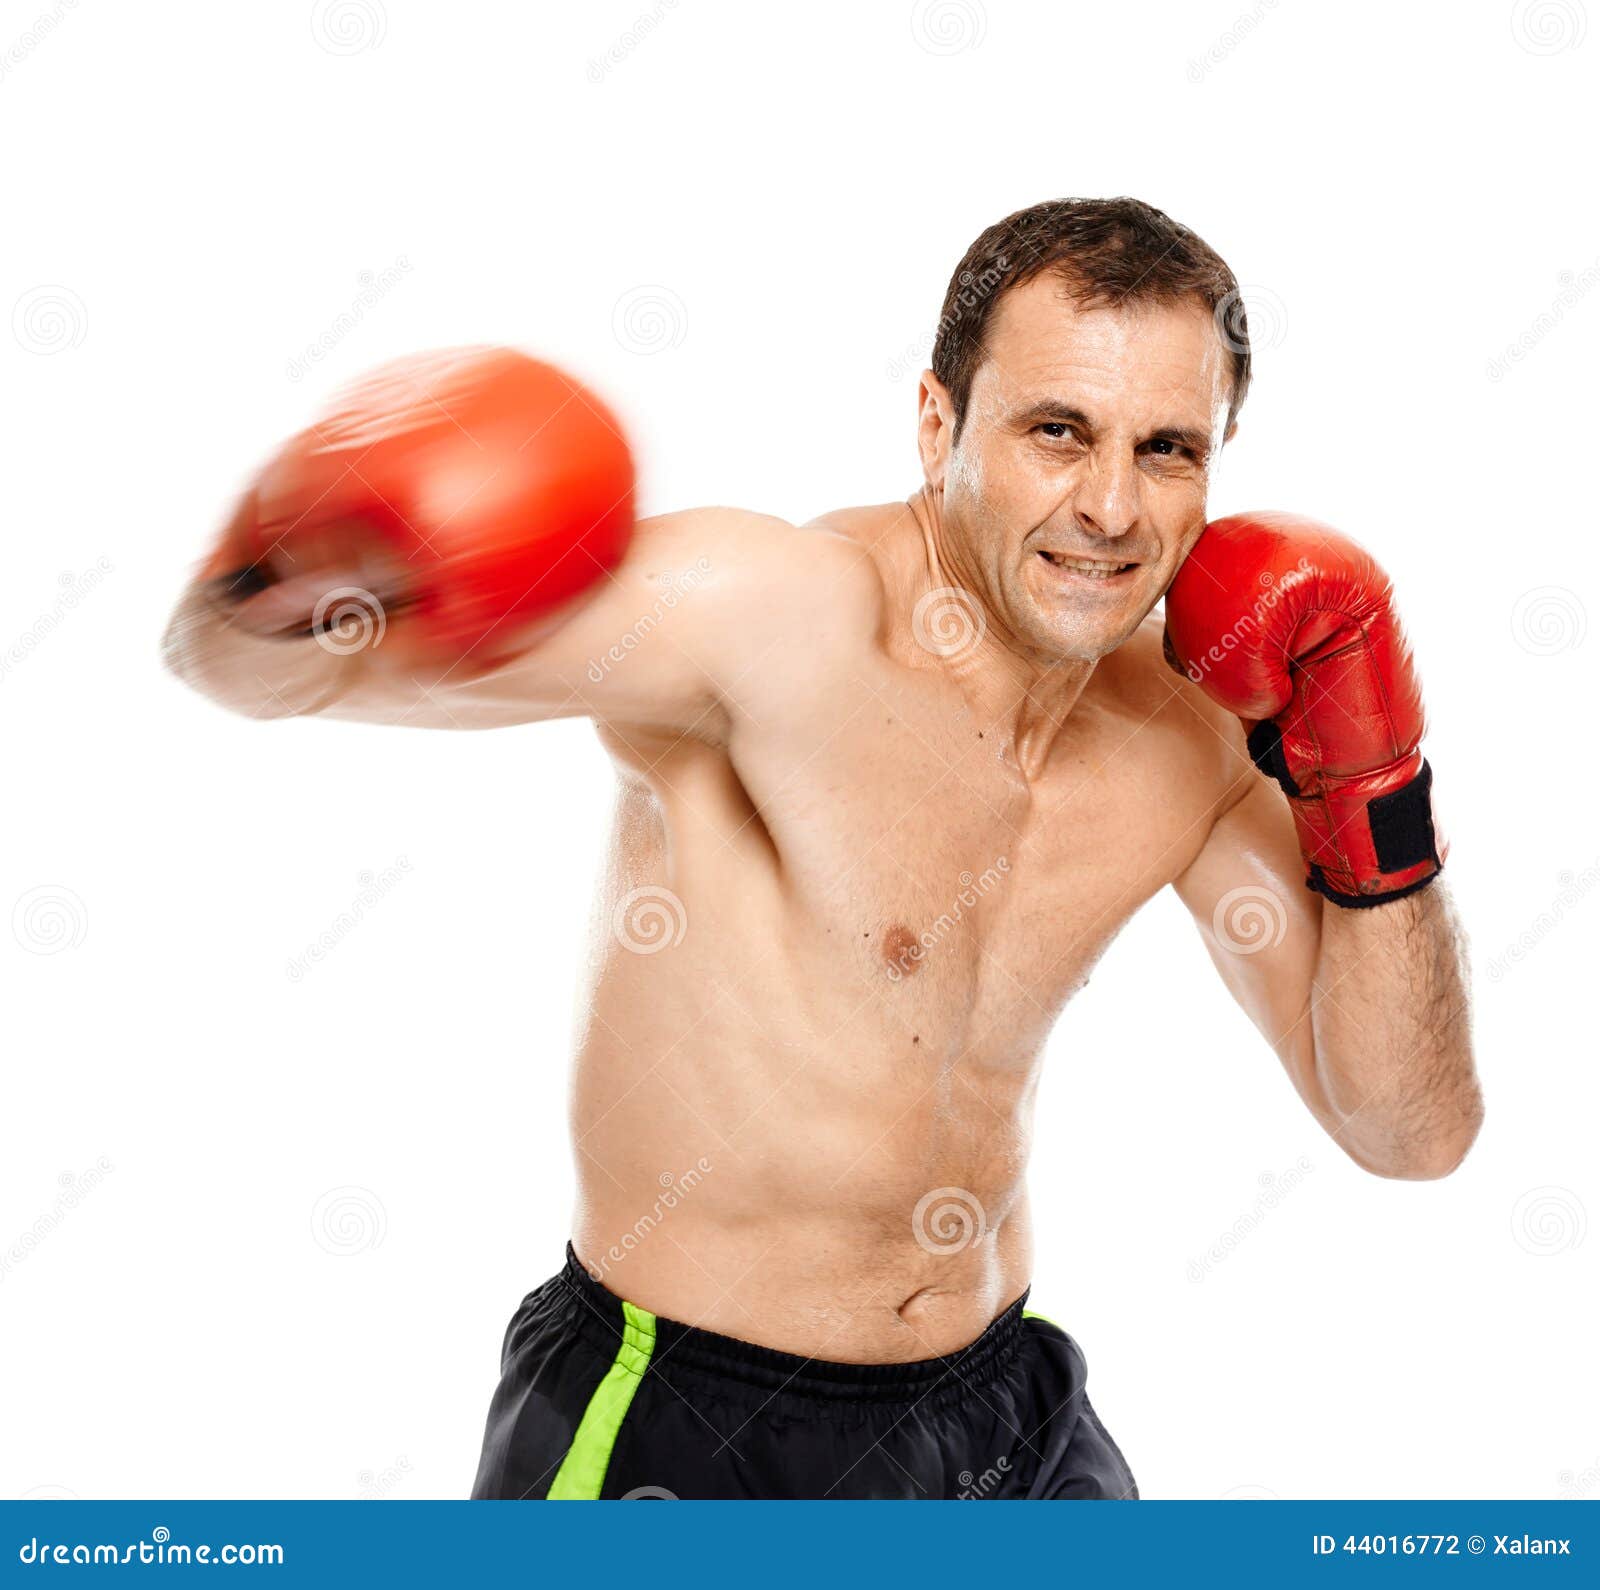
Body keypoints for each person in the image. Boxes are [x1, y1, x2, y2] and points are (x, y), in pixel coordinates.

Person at [162, 197, 1482, 1500]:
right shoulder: (772, 622)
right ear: (937, 425)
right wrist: (299, 550)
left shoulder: (1184, 729)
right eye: (1058, 432)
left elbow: (1408, 1129)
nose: (1112, 506)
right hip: (687, 1426)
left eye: (1169, 449)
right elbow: (241, 664)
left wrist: (1376, 778)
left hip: (1000, 1409)